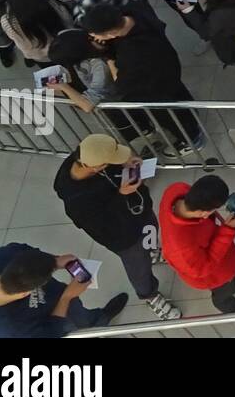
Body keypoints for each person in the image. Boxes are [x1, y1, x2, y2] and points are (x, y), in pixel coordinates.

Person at [53, 133, 179, 320]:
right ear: (95, 167)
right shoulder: (78, 203)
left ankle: (152, 251)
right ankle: (149, 295)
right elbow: (107, 225)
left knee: (151, 233)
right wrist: (122, 195)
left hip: (141, 213)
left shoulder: (84, 155)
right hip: (125, 237)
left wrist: (126, 163)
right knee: (139, 269)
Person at [0, 243, 128, 337]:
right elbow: (51, 332)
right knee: (73, 329)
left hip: (59, 300)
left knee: (83, 316)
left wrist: (55, 261)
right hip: (51, 320)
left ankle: (100, 319)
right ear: (25, 293)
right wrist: (67, 297)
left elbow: (26, 250)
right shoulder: (9, 330)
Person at [158, 175, 235, 314]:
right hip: (215, 276)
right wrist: (228, 230)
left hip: (221, 257)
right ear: (203, 213)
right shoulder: (180, 248)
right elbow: (205, 268)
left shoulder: (176, 190)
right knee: (222, 296)